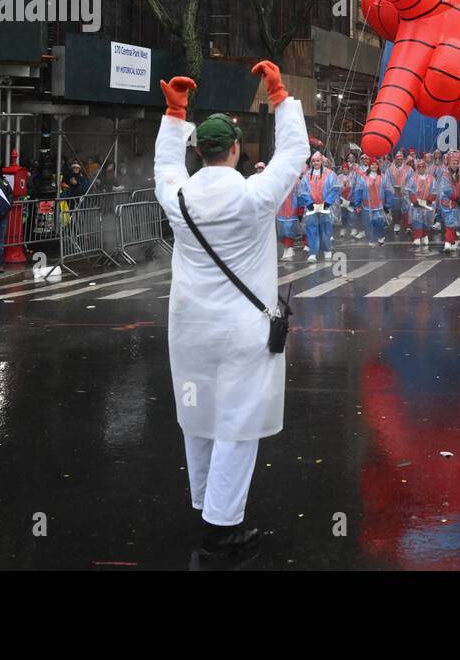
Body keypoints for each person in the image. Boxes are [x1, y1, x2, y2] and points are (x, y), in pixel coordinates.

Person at [153, 61, 309, 559]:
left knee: (198, 417)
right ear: (236, 151)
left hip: (189, 327)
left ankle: (206, 502)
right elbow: (296, 152)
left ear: (199, 152)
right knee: (236, 425)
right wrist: (280, 95)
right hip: (242, 330)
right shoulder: (254, 196)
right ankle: (222, 525)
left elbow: (164, 167)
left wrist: (174, 114)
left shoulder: (179, 196)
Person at [296, 152, 339, 262]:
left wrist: (328, 202)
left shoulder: (330, 174)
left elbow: (335, 188)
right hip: (311, 207)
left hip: (324, 206)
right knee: (311, 229)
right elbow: (303, 190)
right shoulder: (306, 176)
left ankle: (327, 249)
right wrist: (309, 202)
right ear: (311, 162)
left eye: (318, 161)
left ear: (321, 161)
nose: (316, 163)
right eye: (314, 161)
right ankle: (313, 252)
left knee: (326, 228)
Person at [353, 158, 388, 246]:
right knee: (368, 224)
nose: (374, 166)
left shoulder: (383, 177)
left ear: (378, 166)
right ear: (369, 166)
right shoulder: (363, 177)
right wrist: (357, 204)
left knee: (379, 222)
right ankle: (371, 240)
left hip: (379, 206)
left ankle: (380, 237)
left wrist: (388, 204)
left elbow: (388, 190)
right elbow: (358, 190)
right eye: (372, 164)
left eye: (375, 164)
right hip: (366, 206)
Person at [437, 151, 460, 253]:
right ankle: (448, 242)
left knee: (453, 222)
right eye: (453, 163)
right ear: (449, 163)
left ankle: (454, 241)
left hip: (456, 203)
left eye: (456, 163)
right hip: (447, 202)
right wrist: (455, 197)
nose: (455, 165)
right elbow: (446, 189)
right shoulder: (445, 174)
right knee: (450, 222)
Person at [408, 157, 438, 247]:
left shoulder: (431, 178)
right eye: (419, 167)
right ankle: (417, 237)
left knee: (427, 221)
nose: (421, 168)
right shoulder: (413, 178)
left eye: (423, 166)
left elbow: (435, 190)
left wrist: (429, 200)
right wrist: (414, 201)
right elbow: (410, 190)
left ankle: (425, 236)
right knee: (416, 220)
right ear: (417, 168)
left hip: (427, 204)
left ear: (425, 167)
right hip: (417, 204)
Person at [385, 152, 413, 235]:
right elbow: (387, 181)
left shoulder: (409, 169)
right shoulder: (389, 169)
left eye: (401, 159)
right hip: (394, 194)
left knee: (406, 209)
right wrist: (393, 190)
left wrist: (405, 188)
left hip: (405, 194)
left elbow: (412, 180)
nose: (399, 161)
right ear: (395, 160)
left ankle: (407, 226)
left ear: (403, 160)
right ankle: (396, 224)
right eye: (398, 159)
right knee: (395, 210)